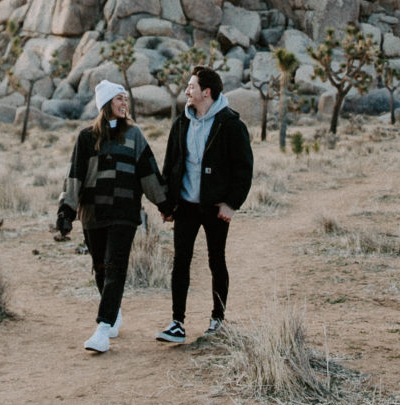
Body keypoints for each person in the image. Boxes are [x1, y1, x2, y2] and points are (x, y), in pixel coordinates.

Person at [55, 79, 166, 353]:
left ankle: (103, 329)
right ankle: (113, 313)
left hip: (125, 212)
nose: (124, 104)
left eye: (125, 99)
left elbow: (148, 173)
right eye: (118, 99)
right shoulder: (86, 137)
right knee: (101, 268)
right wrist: (66, 211)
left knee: (115, 266)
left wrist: (165, 204)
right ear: (106, 104)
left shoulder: (134, 135)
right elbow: (75, 176)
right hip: (93, 212)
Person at [155, 65, 253, 343]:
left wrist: (231, 203)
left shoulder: (230, 125)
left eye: (191, 87)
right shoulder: (181, 123)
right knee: (181, 261)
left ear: (206, 92)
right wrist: (167, 205)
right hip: (185, 204)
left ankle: (217, 319)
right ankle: (177, 323)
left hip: (215, 207)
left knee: (215, 260)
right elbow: (170, 166)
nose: (186, 91)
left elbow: (244, 169)